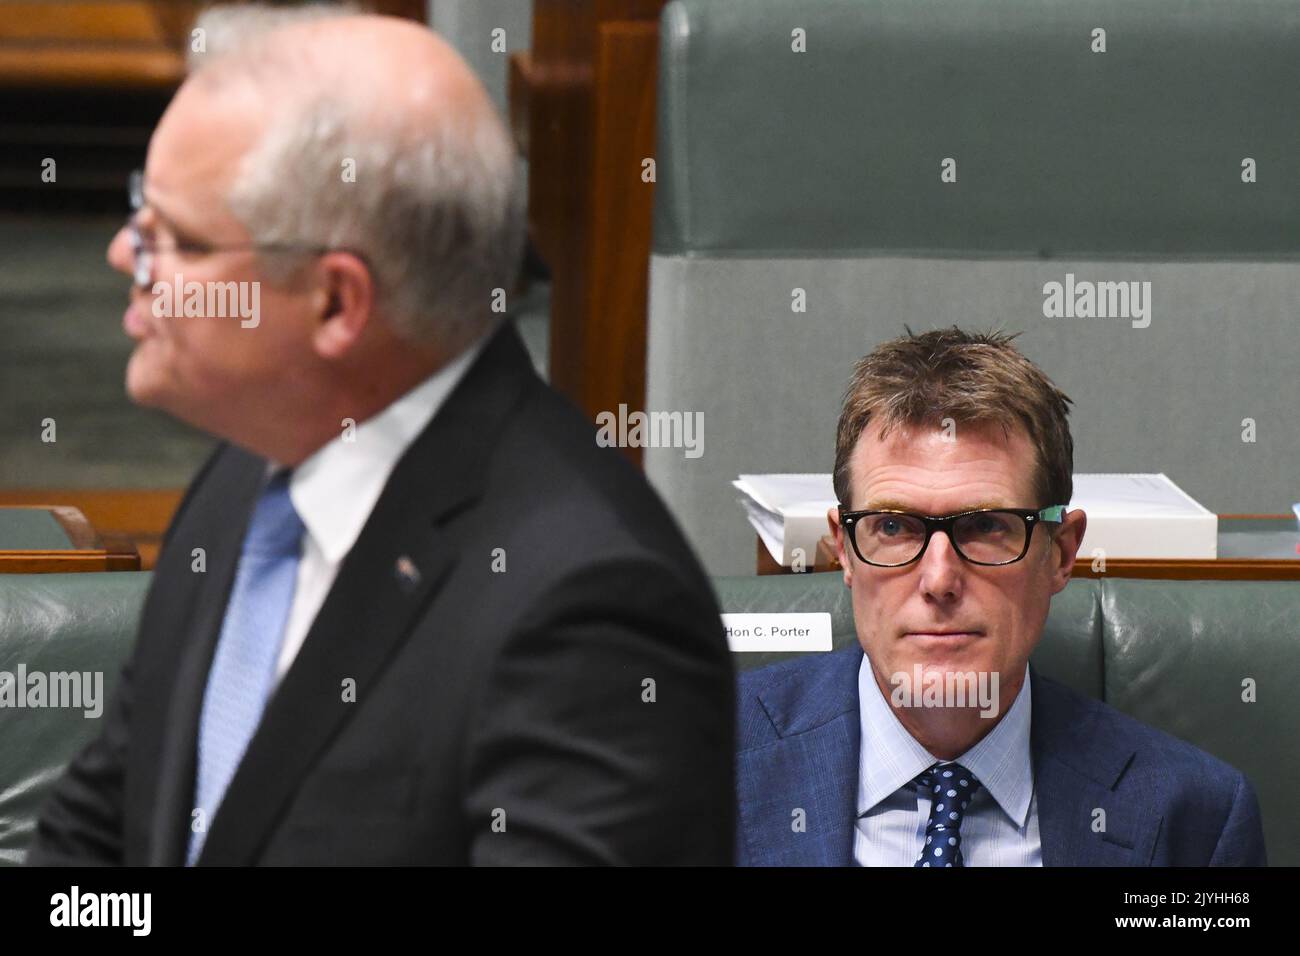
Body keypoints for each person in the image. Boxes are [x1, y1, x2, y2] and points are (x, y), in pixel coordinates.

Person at [27, 5, 733, 866]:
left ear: (336, 302)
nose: (119, 254)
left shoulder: (592, 611)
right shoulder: (252, 469)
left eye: (172, 238)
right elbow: (97, 844)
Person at [734, 327, 1265, 866]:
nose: (938, 580)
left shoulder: (1194, 821)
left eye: (987, 526)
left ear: (1059, 553)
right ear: (844, 551)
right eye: (893, 528)